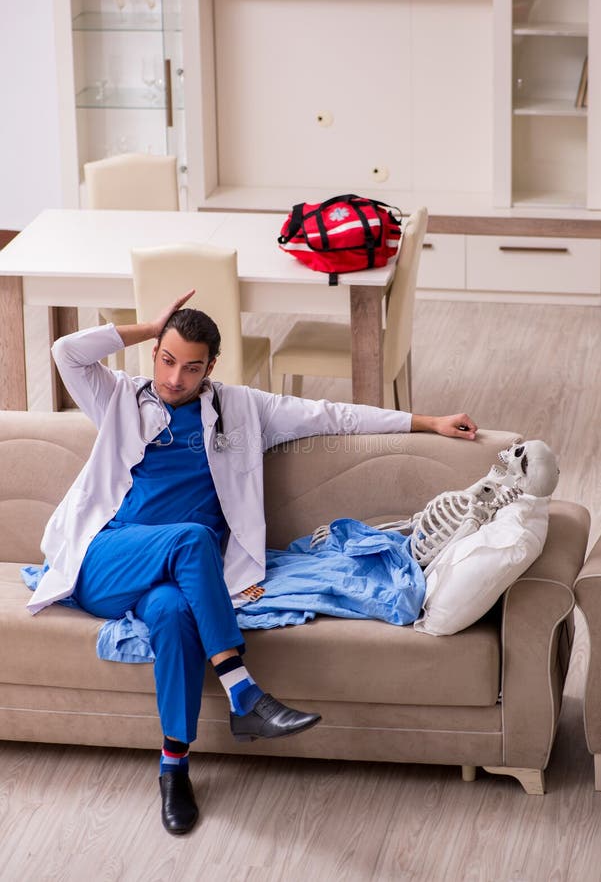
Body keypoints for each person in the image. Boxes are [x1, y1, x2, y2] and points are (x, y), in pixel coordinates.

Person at [27, 289, 478, 835]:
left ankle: (174, 766)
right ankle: (244, 692)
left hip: (170, 577)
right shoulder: (118, 397)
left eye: (191, 368)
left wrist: (426, 421)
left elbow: (331, 415)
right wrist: (148, 326)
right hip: (106, 559)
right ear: (154, 356)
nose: (175, 379)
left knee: (172, 614)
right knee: (193, 537)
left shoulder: (243, 409)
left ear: (211, 368)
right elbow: (66, 352)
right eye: (167, 361)